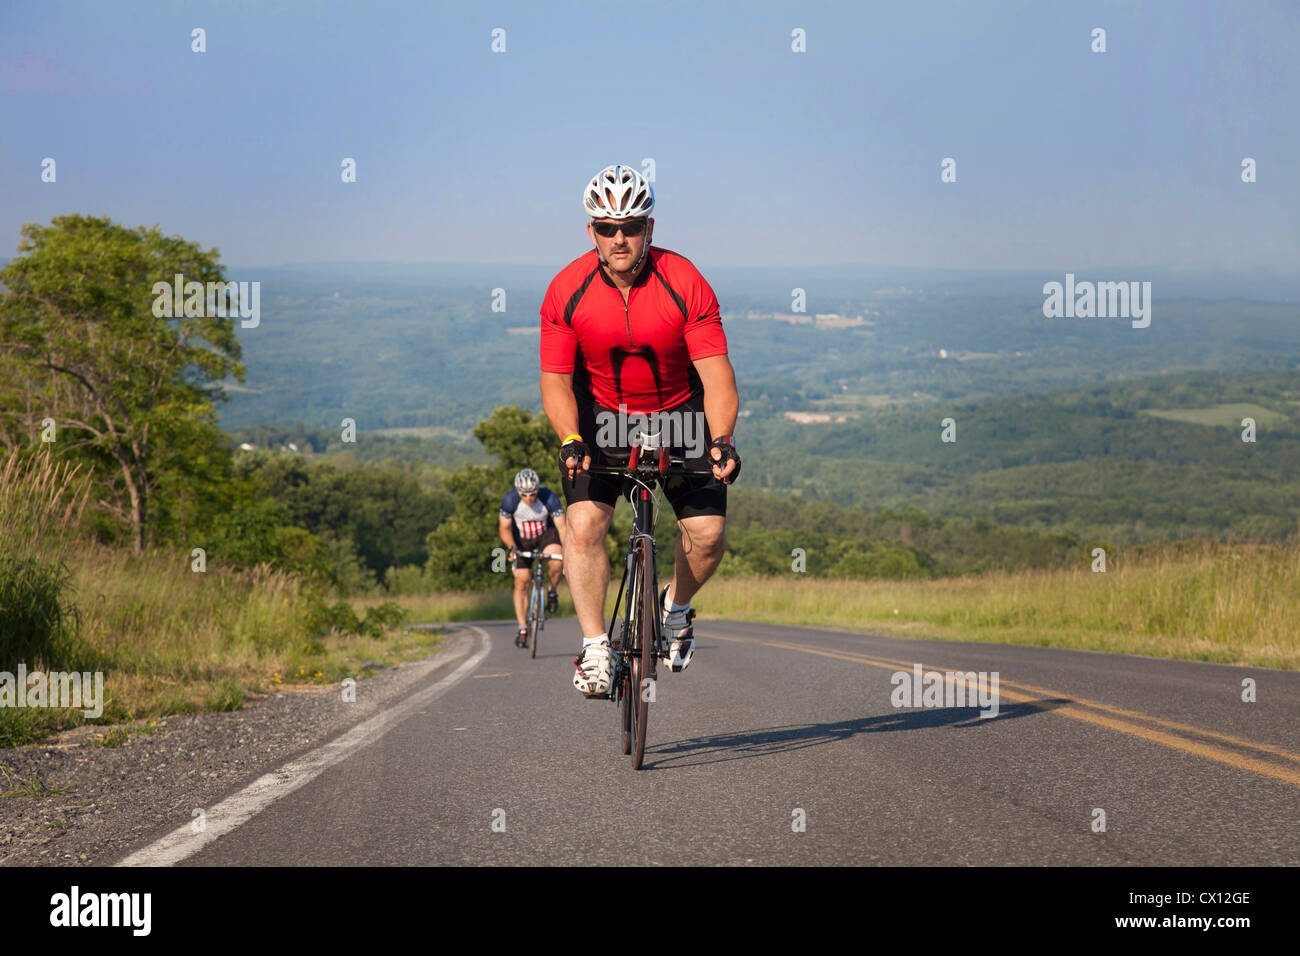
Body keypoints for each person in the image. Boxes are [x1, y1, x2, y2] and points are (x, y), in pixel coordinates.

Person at [538, 164, 741, 697]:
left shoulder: (684, 280)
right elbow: (556, 381)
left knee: (709, 535)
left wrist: (720, 439)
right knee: (582, 525)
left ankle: (675, 611)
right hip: (601, 418)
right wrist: (569, 438)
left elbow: (716, 374)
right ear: (592, 233)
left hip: (679, 414)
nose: (619, 237)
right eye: (607, 227)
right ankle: (596, 647)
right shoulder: (566, 289)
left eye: (630, 225)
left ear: (649, 228)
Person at [498, 467, 566, 647]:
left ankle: (552, 590)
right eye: (524, 495)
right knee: (522, 580)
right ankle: (522, 628)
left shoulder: (548, 497)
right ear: (518, 492)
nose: (529, 498)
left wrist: (566, 551)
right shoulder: (510, 500)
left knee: (557, 561)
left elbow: (562, 527)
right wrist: (512, 548)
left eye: (532, 494)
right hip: (521, 540)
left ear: (538, 489)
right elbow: (504, 529)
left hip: (546, 535)